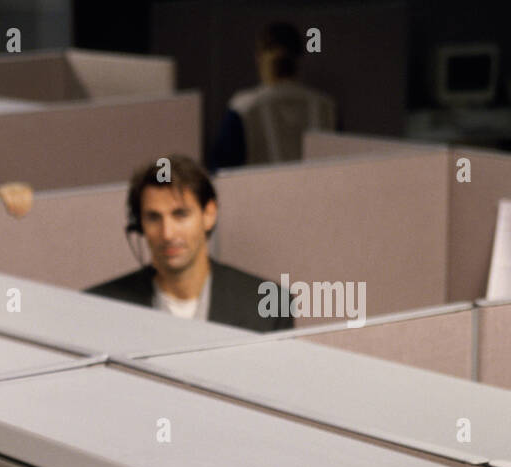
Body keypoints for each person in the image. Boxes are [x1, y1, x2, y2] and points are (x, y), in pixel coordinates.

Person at [85, 155, 292, 332]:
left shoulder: (271, 305)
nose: (167, 233)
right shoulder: (99, 308)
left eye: (180, 214)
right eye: (154, 218)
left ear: (209, 214)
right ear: (140, 225)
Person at [210, 21, 337, 169]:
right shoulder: (326, 107)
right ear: (298, 57)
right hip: (320, 190)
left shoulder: (243, 108)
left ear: (259, 57)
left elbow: (221, 170)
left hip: (258, 190)